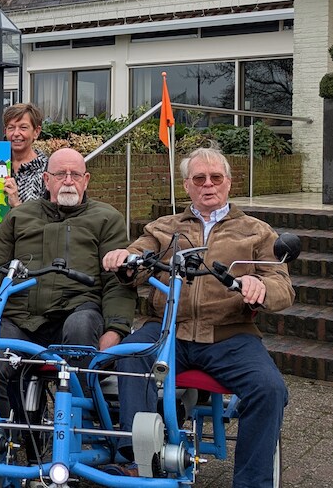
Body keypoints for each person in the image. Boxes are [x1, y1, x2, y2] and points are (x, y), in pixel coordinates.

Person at [101, 147, 295, 486]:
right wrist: (123, 259)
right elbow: (137, 257)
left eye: (216, 178)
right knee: (128, 356)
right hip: (167, 332)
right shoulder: (164, 227)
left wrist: (259, 287)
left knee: (269, 388)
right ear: (187, 186)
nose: (209, 185)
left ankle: (251, 482)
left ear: (229, 183)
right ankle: (138, 458)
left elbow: (283, 287)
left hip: (229, 336)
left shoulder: (257, 231)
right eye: (199, 178)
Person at [0, 148, 135, 412]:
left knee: (81, 330)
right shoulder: (18, 216)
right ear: (47, 180)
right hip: (22, 319)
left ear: (86, 179)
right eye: (60, 174)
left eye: (75, 175)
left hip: (77, 314)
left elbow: (117, 282)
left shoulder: (107, 218)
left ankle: (77, 427)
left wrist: (116, 331)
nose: (68, 180)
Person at [0, 103, 49, 338]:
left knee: (23, 330)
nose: (16, 133)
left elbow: (48, 220)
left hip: (30, 260)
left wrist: (16, 203)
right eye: (11, 127)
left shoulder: (47, 170)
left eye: (23, 127)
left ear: (36, 132)